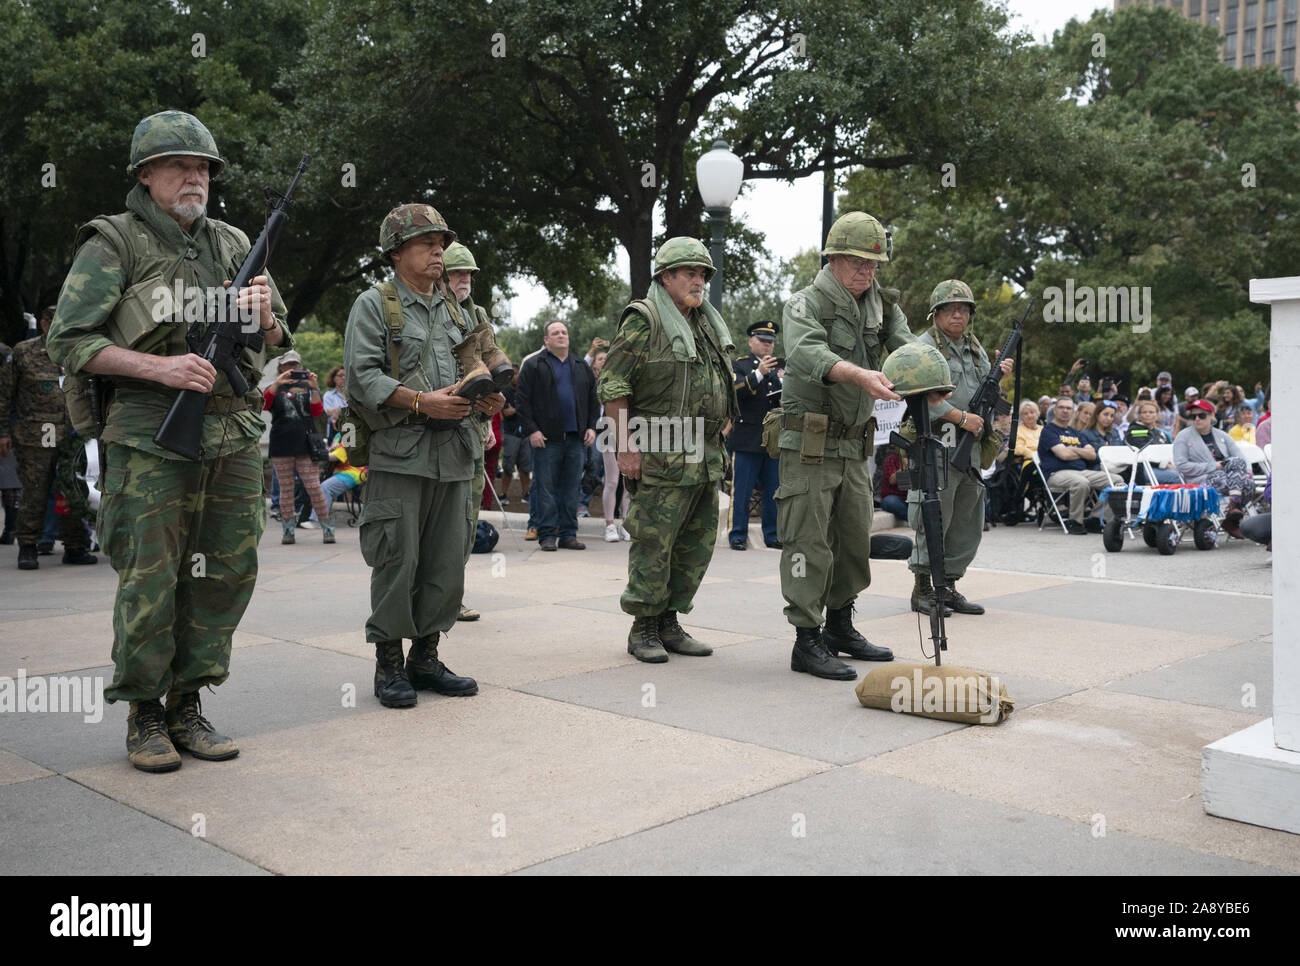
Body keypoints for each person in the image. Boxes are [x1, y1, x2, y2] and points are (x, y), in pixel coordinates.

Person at [45, 110, 290, 772]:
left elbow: (279, 340)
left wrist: (266, 318)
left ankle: (188, 701)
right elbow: (67, 340)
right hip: (150, 433)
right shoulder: (113, 244)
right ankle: (144, 713)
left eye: (204, 166)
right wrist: (159, 367)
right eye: (180, 165)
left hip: (232, 434)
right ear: (146, 174)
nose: (195, 176)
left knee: (225, 573)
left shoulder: (236, 243)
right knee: (151, 577)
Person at [344, 203, 503, 708]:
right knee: (398, 557)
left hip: (455, 452)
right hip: (401, 452)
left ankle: (427, 657)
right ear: (396, 252)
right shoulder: (375, 305)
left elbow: (479, 365)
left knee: (446, 561)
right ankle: (389, 664)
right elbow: (362, 378)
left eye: (441, 242)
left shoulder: (461, 311)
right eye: (426, 243)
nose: (438, 250)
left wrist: (490, 397)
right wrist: (419, 400)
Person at [774, 211, 909, 680]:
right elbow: (807, 351)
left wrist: (928, 378)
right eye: (856, 261)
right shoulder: (803, 303)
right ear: (832, 258)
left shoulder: (882, 308)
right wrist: (858, 374)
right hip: (808, 442)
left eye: (873, 264)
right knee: (807, 542)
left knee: (853, 540)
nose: (866, 271)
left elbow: (905, 348)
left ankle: (839, 626)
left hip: (855, 446)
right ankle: (805, 641)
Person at [598, 237, 736, 663]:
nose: (699, 281)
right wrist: (625, 447)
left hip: (705, 454)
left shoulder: (706, 323)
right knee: (654, 543)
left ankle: (669, 621)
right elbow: (613, 384)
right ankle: (643, 627)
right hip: (658, 451)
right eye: (690, 273)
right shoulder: (646, 319)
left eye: (703, 274)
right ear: (666, 276)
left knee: (695, 545)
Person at [906, 280, 1013, 617]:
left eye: (964, 309)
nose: (958, 314)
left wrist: (998, 374)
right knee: (935, 514)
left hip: (970, 446)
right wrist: (959, 416)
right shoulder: (922, 347)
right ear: (936, 313)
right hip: (936, 441)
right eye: (951, 309)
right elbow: (916, 392)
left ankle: (948, 586)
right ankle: (923, 589)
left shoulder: (974, 347)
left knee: (967, 517)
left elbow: (982, 389)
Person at [443, 240, 512, 620]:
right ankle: (432, 599)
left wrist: (487, 419)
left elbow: (490, 366)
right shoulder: (432, 312)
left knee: (467, 518)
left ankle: (453, 597)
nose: (464, 279)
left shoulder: (478, 314)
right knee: (442, 520)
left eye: (468, 273)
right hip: (434, 422)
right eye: (457, 273)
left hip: (471, 425)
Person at [0, 306, 98, 568]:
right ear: (44, 324)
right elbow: (4, 395)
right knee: (35, 492)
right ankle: (28, 546)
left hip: (74, 436)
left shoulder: (78, 349)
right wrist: (2, 432)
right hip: (35, 437)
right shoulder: (24, 352)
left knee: (74, 491)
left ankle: (75, 546)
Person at [516, 321, 599, 551]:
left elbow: (594, 399)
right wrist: (532, 430)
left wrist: (591, 427)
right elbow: (522, 401)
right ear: (546, 340)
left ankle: (568, 534)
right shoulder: (534, 365)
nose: (561, 335)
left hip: (576, 439)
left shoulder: (581, 365)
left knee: (571, 489)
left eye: (564, 332)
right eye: (555, 333)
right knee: (546, 489)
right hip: (546, 440)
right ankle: (546, 536)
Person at [264, 352, 333, 544]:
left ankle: (327, 527)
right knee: (286, 489)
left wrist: (315, 388)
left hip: (305, 443)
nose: (291, 368)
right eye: (287, 365)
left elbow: (317, 411)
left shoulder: (306, 386)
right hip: (281, 443)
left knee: (313, 486)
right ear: (281, 367)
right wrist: (277, 383)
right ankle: (288, 530)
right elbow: (264, 404)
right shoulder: (273, 388)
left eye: (294, 364)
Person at [728, 320, 783, 551]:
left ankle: (772, 535)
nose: (767, 346)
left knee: (773, 491)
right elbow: (735, 391)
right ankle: (737, 535)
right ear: (751, 341)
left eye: (770, 342)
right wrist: (758, 374)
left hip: (772, 440)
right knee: (742, 490)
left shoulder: (779, 368)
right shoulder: (740, 365)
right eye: (762, 341)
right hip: (747, 438)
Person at [1174, 398, 1255, 537]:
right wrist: (1213, 466)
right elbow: (1181, 465)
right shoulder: (1183, 436)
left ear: (1211, 416)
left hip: (1227, 477)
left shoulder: (1222, 435)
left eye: (1202, 415)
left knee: (1246, 478)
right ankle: (1232, 517)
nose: (1197, 419)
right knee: (1244, 484)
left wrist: (1246, 472)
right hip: (1200, 479)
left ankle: (1233, 509)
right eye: (1193, 416)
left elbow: (1241, 459)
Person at [1038, 397, 1108, 534]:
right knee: (1081, 482)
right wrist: (1081, 452)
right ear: (1055, 410)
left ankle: (1096, 519)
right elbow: (1064, 455)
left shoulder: (1077, 433)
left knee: (1116, 482)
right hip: (1056, 474)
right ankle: (1075, 521)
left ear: (1073, 412)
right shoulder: (1048, 431)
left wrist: (1070, 449)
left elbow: (1093, 454)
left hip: (1081, 472)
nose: (1065, 411)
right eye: (1061, 407)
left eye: (1069, 408)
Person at [592, 350, 630, 542]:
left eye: (607, 357)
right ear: (594, 366)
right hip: (606, 430)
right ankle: (609, 524)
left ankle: (626, 522)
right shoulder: (594, 382)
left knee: (628, 481)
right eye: (600, 358)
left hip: (626, 429)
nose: (604, 360)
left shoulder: (622, 377)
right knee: (612, 480)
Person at [1124, 398, 1179, 484]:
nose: (1148, 415)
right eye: (1144, 412)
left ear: (1157, 415)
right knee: (1178, 477)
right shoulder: (1134, 431)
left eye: (1151, 412)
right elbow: (1143, 455)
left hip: (1165, 466)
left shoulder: (1161, 433)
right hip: (1143, 469)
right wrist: (1165, 465)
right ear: (1139, 415)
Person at [498, 370, 530, 508]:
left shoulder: (525, 390)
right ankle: (504, 494)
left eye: (518, 374)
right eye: (514, 374)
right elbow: (506, 412)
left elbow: (529, 409)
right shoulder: (505, 392)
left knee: (525, 467)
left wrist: (516, 409)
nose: (516, 377)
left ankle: (526, 494)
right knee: (507, 466)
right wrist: (519, 409)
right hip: (511, 433)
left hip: (526, 434)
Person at [879, 447, 908, 524]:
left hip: (911, 498)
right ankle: (914, 519)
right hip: (897, 498)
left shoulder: (918, 459)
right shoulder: (891, 460)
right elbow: (892, 480)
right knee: (890, 502)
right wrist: (904, 467)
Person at [1013, 399, 1042, 466]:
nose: (1029, 416)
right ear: (1021, 417)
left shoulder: (1043, 429)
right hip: (1029, 462)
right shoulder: (1018, 430)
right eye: (1025, 414)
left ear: (1037, 414)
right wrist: (1035, 456)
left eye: (1032, 412)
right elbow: (1018, 448)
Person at [322, 365, 346, 435]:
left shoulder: (352, 394)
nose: (344, 378)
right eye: (340, 375)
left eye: (345, 375)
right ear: (333, 378)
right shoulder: (329, 395)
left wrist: (337, 410)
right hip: (336, 433)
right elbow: (328, 412)